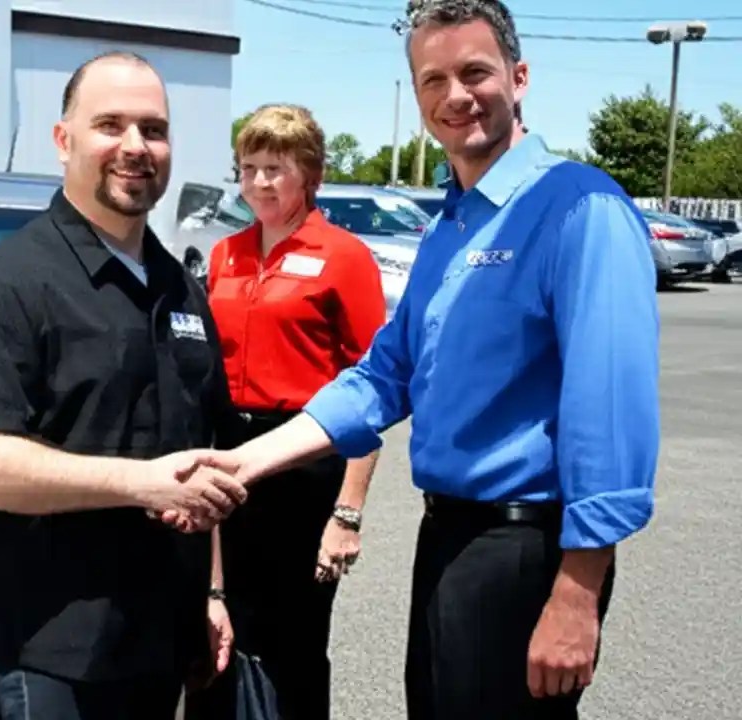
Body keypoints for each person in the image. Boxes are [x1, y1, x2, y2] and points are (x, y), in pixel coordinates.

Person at [169, 1, 661, 718]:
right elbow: (383, 374)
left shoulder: (579, 208)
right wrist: (243, 463)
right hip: (449, 538)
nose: (456, 96)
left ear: (519, 77)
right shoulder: (451, 225)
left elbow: (610, 413)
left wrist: (577, 593)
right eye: (434, 80)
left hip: (524, 546)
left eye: (475, 72)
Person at [0, 50, 246, 719]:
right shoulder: (9, 285)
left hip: (162, 644)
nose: (135, 146)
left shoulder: (181, 288)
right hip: (52, 656)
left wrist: (212, 594)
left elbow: (204, 455)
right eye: (110, 125)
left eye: (153, 129)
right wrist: (138, 482)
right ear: (63, 139)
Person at [184, 103, 386, 720]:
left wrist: (346, 513)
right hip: (229, 455)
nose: (259, 182)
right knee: (217, 627)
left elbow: (371, 392)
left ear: (310, 175)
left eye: (276, 168)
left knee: (293, 640)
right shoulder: (227, 254)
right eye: (249, 168)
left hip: (304, 460)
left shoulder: (344, 256)